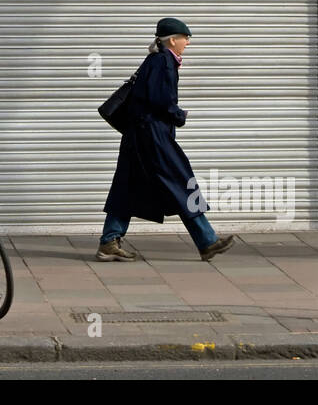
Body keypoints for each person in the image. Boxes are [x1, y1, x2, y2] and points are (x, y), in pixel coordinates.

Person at [97, 17, 236, 263]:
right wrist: (179, 115)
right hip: (153, 137)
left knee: (128, 186)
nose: (188, 43)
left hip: (137, 136)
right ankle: (207, 241)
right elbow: (160, 101)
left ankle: (110, 241)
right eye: (185, 38)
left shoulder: (155, 60)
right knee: (181, 183)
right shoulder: (164, 62)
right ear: (172, 40)